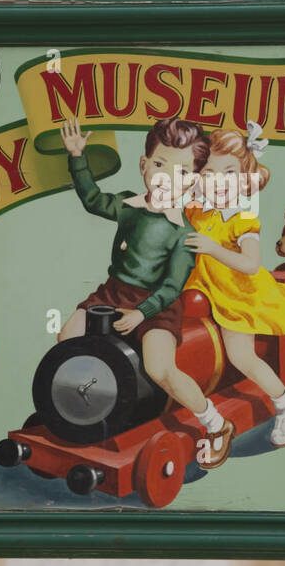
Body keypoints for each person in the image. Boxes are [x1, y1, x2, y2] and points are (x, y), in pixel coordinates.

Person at [58, 116, 237, 468]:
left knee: (159, 368)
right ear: (144, 165)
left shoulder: (183, 235)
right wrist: (77, 157)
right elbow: (93, 199)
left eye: (182, 172)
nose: (168, 177)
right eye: (160, 164)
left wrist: (143, 313)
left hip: (156, 306)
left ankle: (216, 424)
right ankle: (85, 407)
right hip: (111, 294)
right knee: (68, 337)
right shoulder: (128, 206)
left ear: (194, 181)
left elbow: (172, 287)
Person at [184, 122, 285, 447]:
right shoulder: (196, 209)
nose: (220, 182)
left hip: (236, 295)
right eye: (209, 173)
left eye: (230, 173)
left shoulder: (242, 220)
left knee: (241, 356)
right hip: (200, 289)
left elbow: (250, 265)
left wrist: (213, 249)